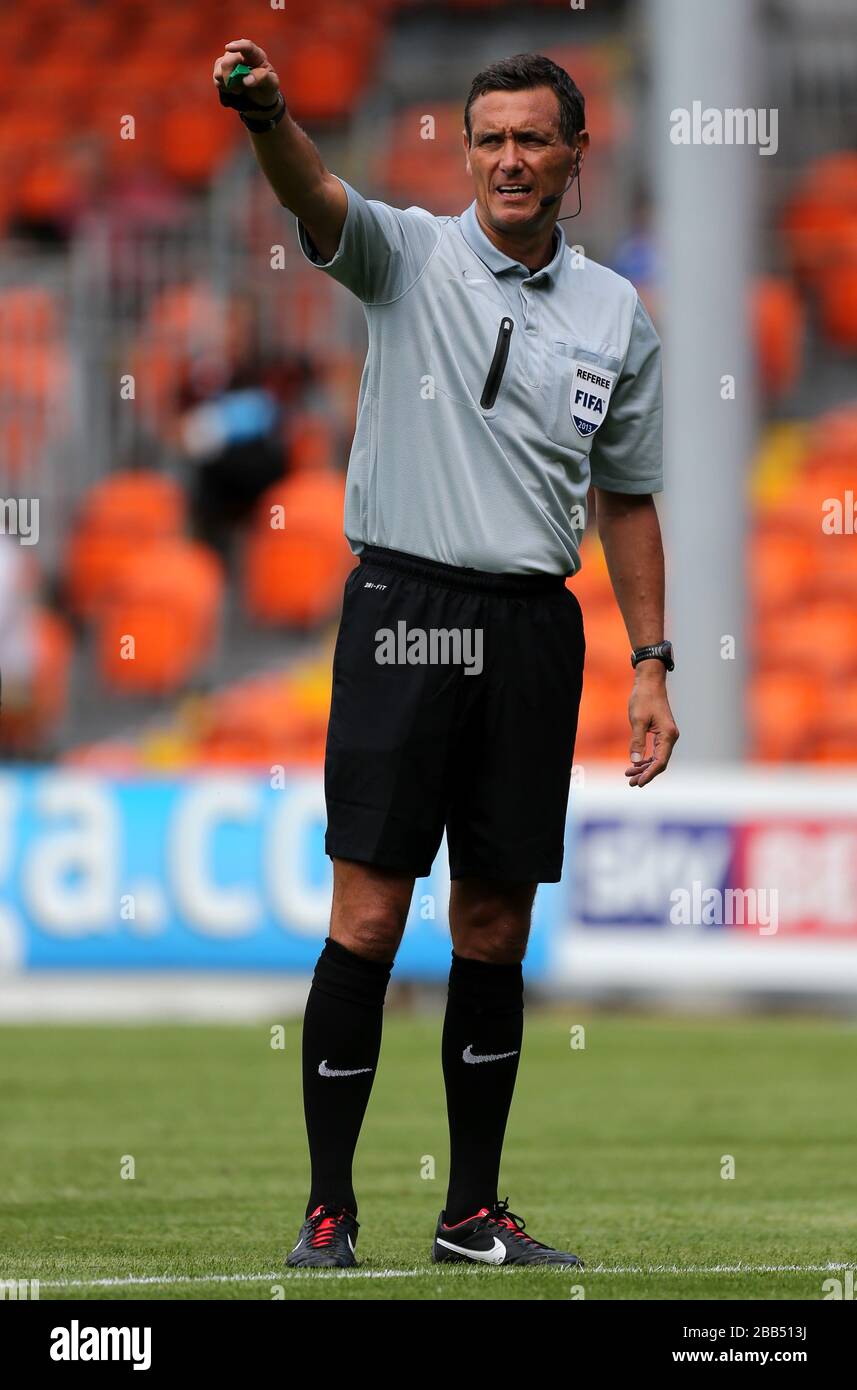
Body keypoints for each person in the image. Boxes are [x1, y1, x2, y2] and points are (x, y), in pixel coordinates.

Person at [214, 41, 679, 1269]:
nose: (509, 159)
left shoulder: (614, 314)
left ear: (577, 154)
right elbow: (316, 197)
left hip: (534, 628)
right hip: (404, 612)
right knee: (367, 914)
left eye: (533, 138)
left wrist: (652, 658)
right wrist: (269, 115)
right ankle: (329, 1210)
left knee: (493, 927)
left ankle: (470, 1213)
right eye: (488, 139)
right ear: (464, 151)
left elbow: (625, 497)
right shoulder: (409, 254)